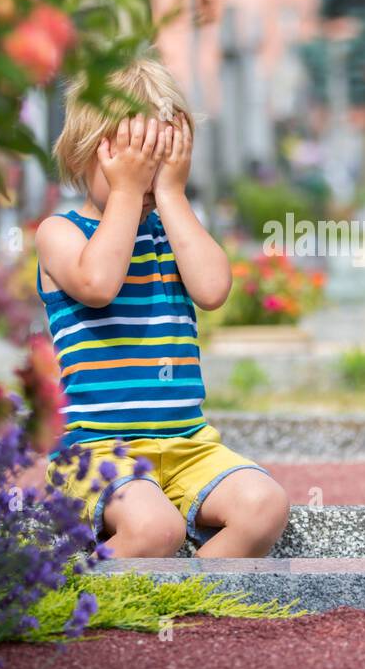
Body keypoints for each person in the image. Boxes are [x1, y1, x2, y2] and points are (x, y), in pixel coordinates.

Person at [35, 53, 289, 558]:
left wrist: (171, 195)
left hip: (188, 445)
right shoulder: (60, 233)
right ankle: (79, 593)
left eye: (161, 163)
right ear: (88, 155)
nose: (146, 180)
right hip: (96, 453)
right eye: (133, 162)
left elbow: (214, 290)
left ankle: (188, 605)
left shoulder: (169, 230)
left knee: (265, 505)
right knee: (155, 531)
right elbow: (98, 283)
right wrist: (128, 193)